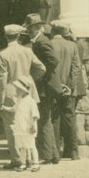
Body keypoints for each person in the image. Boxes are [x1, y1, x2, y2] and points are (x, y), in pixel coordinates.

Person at [0, 24, 47, 169]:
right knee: (28, 126)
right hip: (28, 91)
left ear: (6, 36)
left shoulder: (4, 54)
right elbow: (42, 68)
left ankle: (18, 159)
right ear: (18, 36)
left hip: (12, 92)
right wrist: (30, 80)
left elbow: (1, 79)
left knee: (13, 127)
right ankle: (30, 158)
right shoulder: (27, 51)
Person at [46, 22, 85, 161]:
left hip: (54, 88)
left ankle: (56, 151)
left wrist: (57, 85)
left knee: (55, 118)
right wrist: (69, 85)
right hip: (69, 90)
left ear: (53, 31)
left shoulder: (49, 44)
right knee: (70, 119)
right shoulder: (72, 45)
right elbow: (76, 68)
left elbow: (48, 68)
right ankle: (74, 152)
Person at [28, 21, 60, 164]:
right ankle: (53, 154)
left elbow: (53, 60)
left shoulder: (42, 41)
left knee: (45, 119)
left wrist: (42, 77)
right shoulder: (39, 41)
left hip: (45, 87)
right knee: (46, 119)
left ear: (37, 28)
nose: (29, 31)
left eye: (31, 28)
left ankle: (48, 155)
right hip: (46, 86)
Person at [8, 78, 41, 172]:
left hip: (28, 127)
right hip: (20, 127)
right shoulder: (19, 101)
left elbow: (35, 115)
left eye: (18, 89)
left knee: (31, 145)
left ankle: (36, 163)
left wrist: (33, 125)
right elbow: (13, 109)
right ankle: (23, 163)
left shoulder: (31, 101)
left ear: (23, 90)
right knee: (22, 146)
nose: (16, 91)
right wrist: (3, 107)